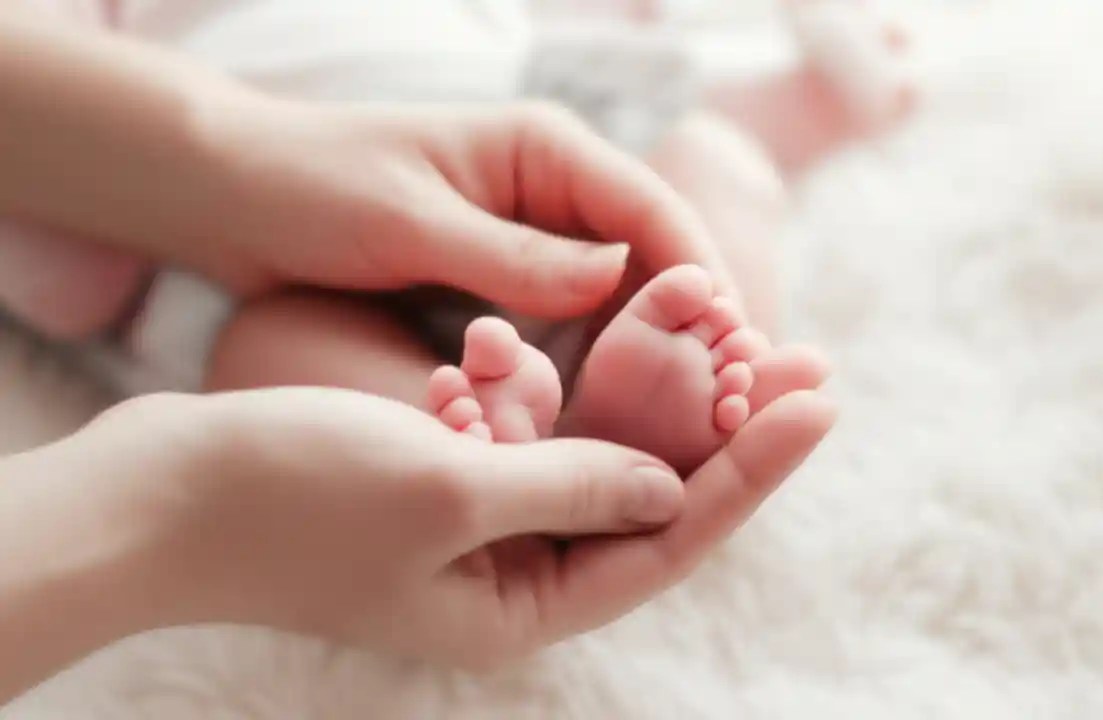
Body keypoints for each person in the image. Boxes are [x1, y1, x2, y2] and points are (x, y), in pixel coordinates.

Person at [0, 5, 836, 704]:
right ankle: (488, 443)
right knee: (275, 356)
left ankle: (659, 386)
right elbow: (66, 270)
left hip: (506, 131)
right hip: (227, 270)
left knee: (714, 163)